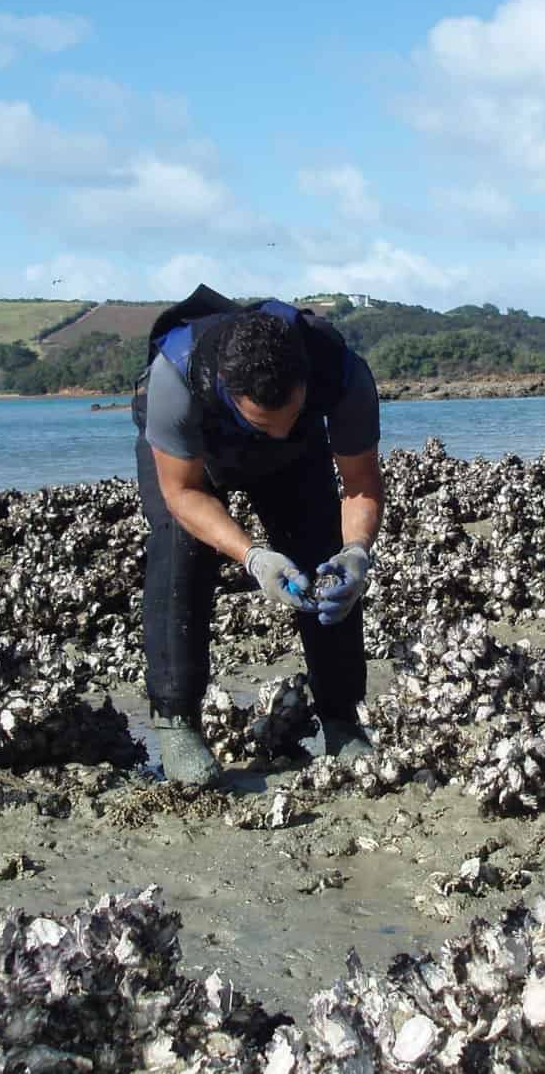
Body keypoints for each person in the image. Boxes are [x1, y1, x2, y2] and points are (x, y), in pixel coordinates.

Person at [132, 284, 383, 786]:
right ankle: (176, 722)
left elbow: (360, 484)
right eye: (265, 423)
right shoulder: (175, 377)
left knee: (323, 555)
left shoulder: (339, 369)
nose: (277, 432)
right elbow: (182, 493)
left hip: (297, 458)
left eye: (287, 417)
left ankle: (341, 720)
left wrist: (356, 552)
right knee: (180, 550)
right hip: (196, 457)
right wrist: (253, 557)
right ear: (229, 389)